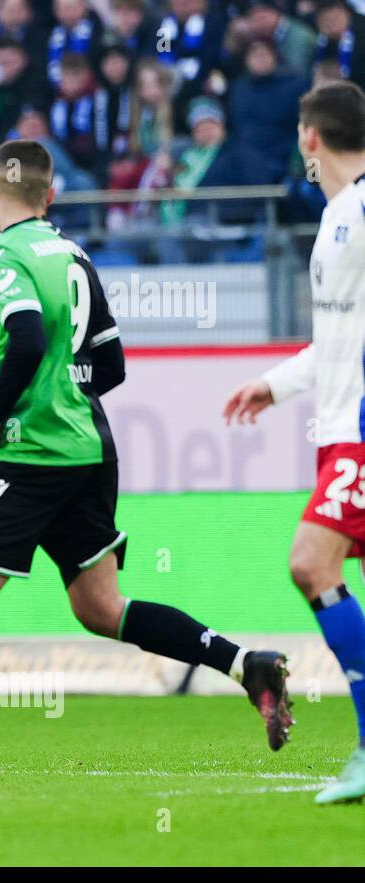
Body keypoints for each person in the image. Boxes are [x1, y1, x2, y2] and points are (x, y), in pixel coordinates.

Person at [0, 140, 293, 797]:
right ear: (52, 195)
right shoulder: (74, 253)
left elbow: (24, 338)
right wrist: (64, 397)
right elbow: (112, 367)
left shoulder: (3, 255)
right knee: (102, 607)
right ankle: (246, 663)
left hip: (37, 450)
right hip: (91, 449)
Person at [222, 80, 365, 804]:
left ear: (311, 137)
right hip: (340, 430)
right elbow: (339, 338)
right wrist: (273, 385)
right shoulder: (339, 216)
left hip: (362, 435)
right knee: (322, 569)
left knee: (312, 562)